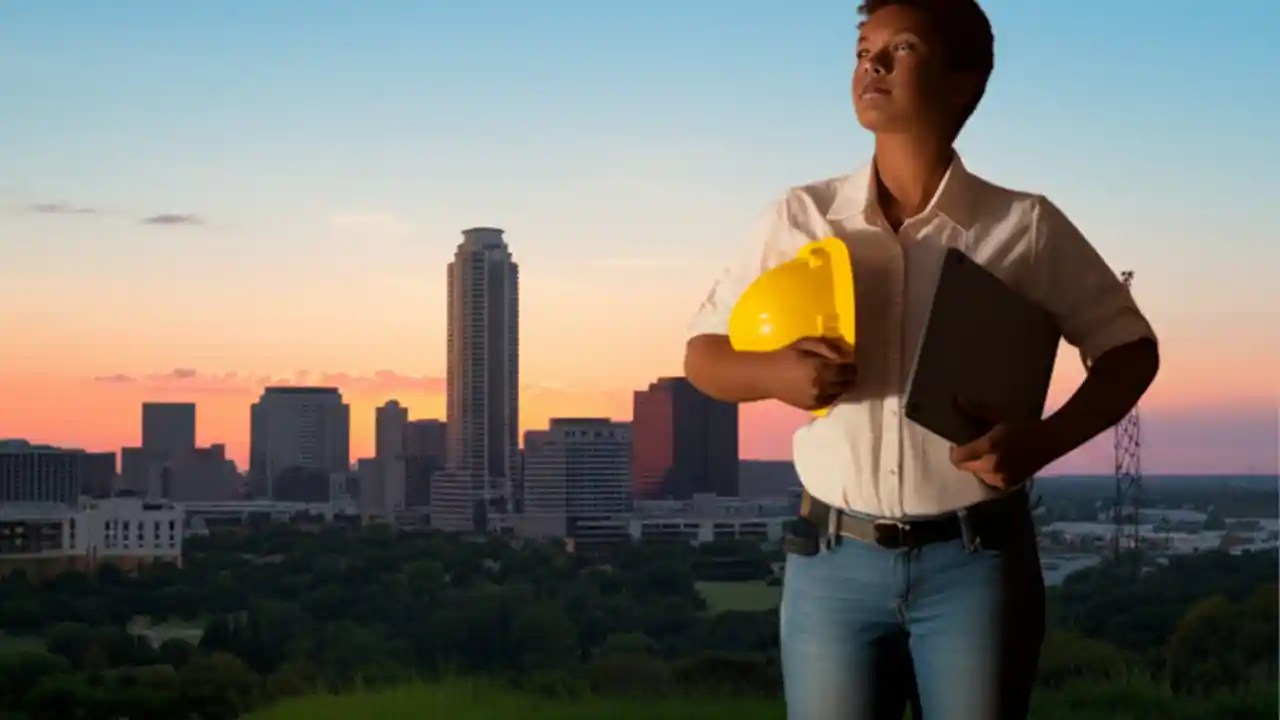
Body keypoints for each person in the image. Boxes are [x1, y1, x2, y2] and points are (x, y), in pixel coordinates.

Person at [682, 0, 1161, 718]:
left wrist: (1044, 441)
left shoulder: (1021, 226)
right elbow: (702, 357)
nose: (870, 64)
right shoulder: (800, 217)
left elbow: (1130, 351)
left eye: (900, 49)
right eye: (862, 48)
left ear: (965, 82)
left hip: (977, 566)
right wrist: (777, 373)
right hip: (830, 566)